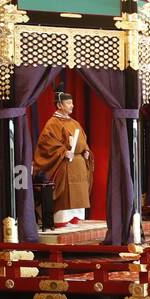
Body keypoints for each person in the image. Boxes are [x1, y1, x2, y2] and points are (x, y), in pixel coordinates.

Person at [33, 91, 94, 226]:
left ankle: (76, 216)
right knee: (67, 192)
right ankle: (62, 219)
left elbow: (83, 140)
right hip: (65, 163)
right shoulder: (52, 123)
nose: (72, 106)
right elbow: (46, 143)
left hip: (78, 162)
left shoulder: (75, 123)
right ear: (60, 105)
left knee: (79, 192)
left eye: (72, 103)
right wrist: (62, 151)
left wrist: (86, 150)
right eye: (68, 103)